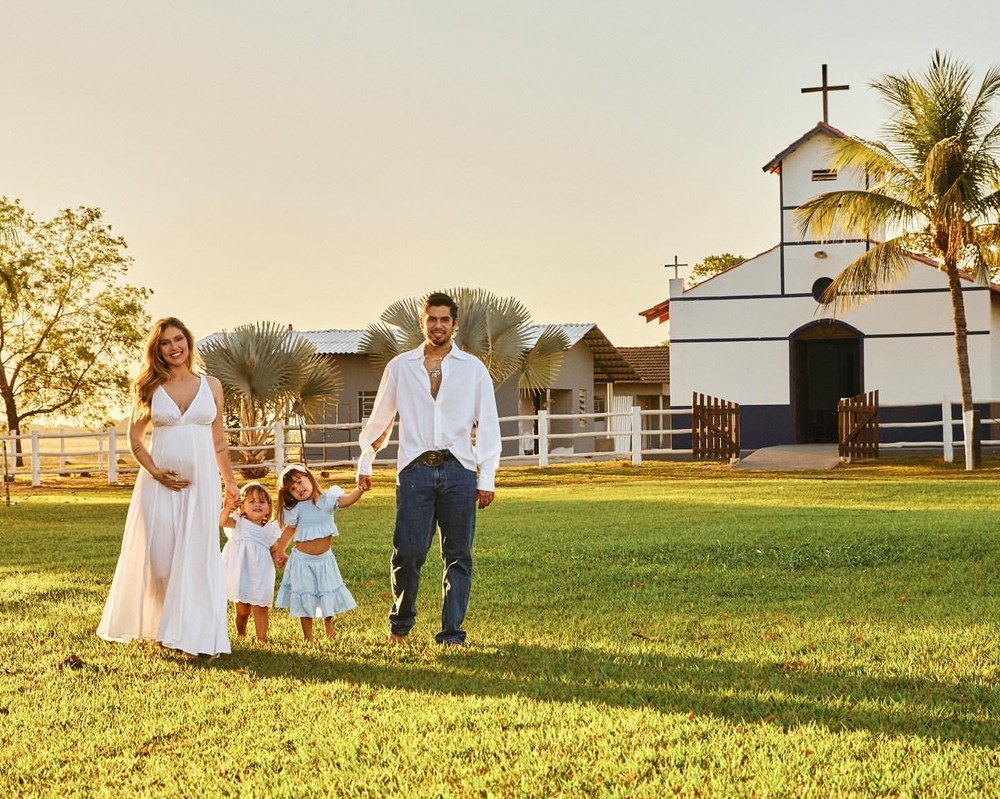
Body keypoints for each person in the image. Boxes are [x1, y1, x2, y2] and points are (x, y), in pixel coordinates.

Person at [357, 291, 501, 647]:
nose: (438, 325)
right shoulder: (400, 367)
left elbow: (489, 425)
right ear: (422, 323)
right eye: (431, 319)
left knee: (458, 556)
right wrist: (365, 459)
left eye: (444, 320)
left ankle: (452, 634)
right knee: (407, 552)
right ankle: (400, 627)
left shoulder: (473, 369)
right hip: (415, 470)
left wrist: (487, 477)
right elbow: (381, 419)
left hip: (459, 471)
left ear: (454, 324)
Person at [97, 317, 238, 659]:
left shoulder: (212, 385)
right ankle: (165, 627)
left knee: (197, 556)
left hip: (201, 486)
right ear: (157, 349)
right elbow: (135, 440)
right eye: (165, 342)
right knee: (161, 560)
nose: (174, 347)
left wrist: (230, 482)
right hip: (158, 487)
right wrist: (156, 473)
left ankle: (196, 636)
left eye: (179, 339)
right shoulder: (150, 387)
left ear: (188, 342)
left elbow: (218, 442)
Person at [271, 464, 366, 642]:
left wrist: (359, 490)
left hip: (325, 560)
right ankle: (308, 637)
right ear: (288, 494)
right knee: (304, 596)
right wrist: (280, 551)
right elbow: (290, 531)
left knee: (327, 592)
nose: (299, 488)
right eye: (292, 488)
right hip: (302, 562)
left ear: (309, 478)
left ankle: (329, 630)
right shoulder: (296, 509)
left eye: (300, 482)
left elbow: (346, 501)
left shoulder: (327, 499)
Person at [220, 482, 282, 643]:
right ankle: (241, 635)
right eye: (252, 501)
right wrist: (228, 507)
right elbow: (221, 521)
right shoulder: (237, 523)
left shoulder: (269, 529)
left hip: (260, 574)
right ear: (242, 506)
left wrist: (280, 558)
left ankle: (261, 639)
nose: (257, 505)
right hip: (240, 573)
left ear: (269, 508)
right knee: (242, 611)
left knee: (261, 608)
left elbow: (274, 548)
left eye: (262, 502)